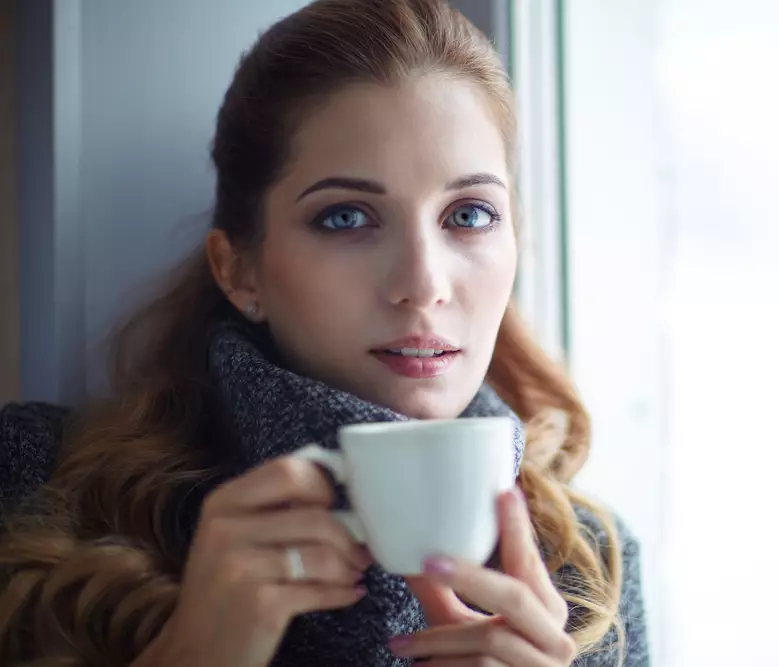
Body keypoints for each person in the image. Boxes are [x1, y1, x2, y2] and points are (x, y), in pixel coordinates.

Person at [0, 1, 648, 665]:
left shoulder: (588, 568)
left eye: (471, 213)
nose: (423, 283)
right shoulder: (36, 485)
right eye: (346, 218)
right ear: (239, 270)